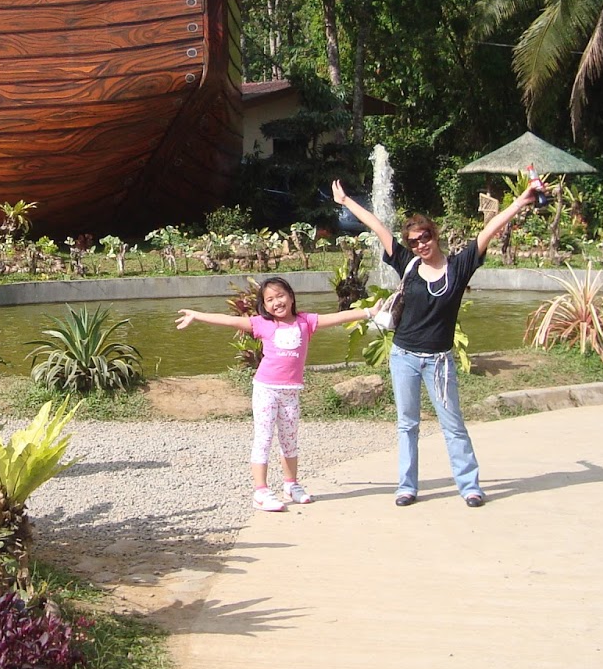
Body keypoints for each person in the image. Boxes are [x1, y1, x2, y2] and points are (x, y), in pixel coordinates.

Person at [333, 178, 537, 507]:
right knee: (407, 424)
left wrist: (519, 203)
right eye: (414, 242)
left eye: (425, 238)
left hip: (439, 362)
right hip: (404, 357)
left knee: (453, 424)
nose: (420, 245)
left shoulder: (459, 266)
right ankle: (406, 486)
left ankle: (469, 485)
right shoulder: (407, 263)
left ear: (434, 235)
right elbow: (377, 226)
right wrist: (346, 201)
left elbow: (489, 231)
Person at [177, 276, 372, 511]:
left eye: (280, 295)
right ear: (264, 305)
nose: (276, 302)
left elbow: (338, 317)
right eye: (269, 299)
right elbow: (228, 321)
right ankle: (260, 492)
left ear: (291, 296)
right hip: (266, 389)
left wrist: (368, 312)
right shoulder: (261, 324)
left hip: (291, 391)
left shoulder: (305, 321)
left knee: (290, 440)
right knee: (264, 438)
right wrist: (197, 315)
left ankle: (291, 484)